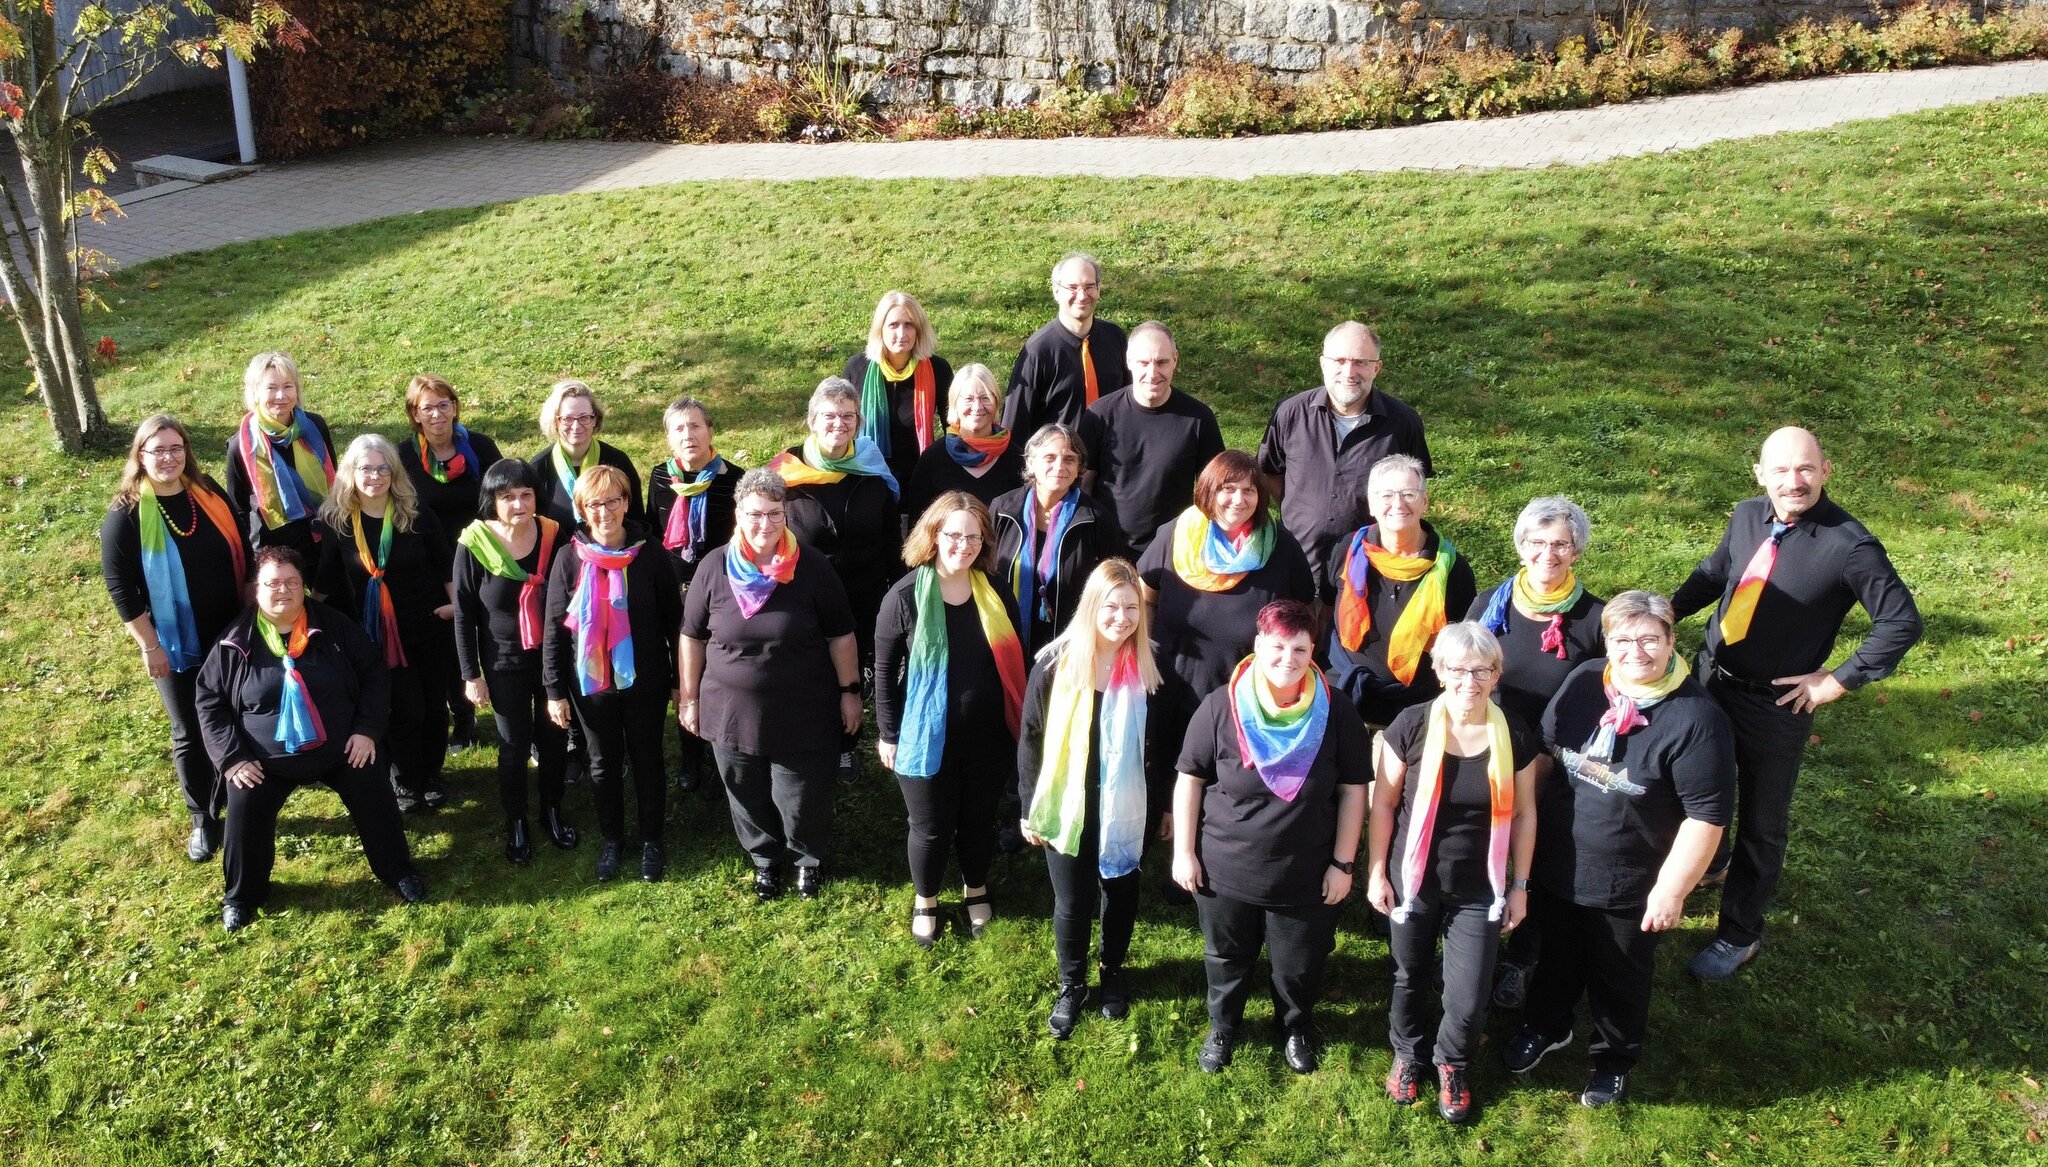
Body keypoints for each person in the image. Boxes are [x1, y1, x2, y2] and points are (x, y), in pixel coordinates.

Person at [1670, 426, 1922, 981]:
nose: (1794, 481)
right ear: (1760, 473)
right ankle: (1709, 862)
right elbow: (1717, 573)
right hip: (1711, 681)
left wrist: (1836, 682)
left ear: (1826, 471)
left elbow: (1901, 621)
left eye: (1806, 469)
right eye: (1780, 470)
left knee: (1762, 821)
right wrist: (1666, 613)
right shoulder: (1745, 516)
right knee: (1698, 785)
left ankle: (1739, 934)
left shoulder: (1849, 545)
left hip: (1774, 706)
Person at [1501, 591, 1734, 1108]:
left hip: (1633, 881)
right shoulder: (1585, 680)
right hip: (1558, 862)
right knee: (1556, 956)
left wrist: (1671, 891)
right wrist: (1519, 839)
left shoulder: (1697, 720)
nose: (1636, 651)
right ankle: (1546, 1025)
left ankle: (1612, 1058)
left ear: (1672, 641)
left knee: (1620, 975)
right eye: (1623, 639)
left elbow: (1706, 817)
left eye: (1650, 638)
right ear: (1607, 641)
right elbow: (1545, 756)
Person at [1171, 600, 1369, 1075]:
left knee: (1298, 965)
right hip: (1225, 868)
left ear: (1313, 650)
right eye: (1277, 646)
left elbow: (1354, 791)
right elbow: (1190, 779)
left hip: (1305, 872)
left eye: (1299, 648)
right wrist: (1182, 851)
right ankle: (1223, 1025)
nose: (1287, 658)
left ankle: (1295, 1025)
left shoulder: (1337, 711)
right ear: (1258, 645)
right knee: (1226, 955)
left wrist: (1343, 865)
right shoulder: (1222, 705)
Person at [195, 547, 425, 932]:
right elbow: (209, 701)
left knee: (373, 787)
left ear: (303, 587)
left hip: (341, 751)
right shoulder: (235, 642)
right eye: (272, 583)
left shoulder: (335, 627)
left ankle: (397, 870)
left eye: (291, 582)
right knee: (244, 802)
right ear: (256, 590)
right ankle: (242, 895)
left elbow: (373, 674)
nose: (282, 590)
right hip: (265, 762)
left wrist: (366, 731)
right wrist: (233, 758)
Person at [1367, 622, 1541, 1122]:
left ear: (1496, 674)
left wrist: (1521, 886)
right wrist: (1376, 871)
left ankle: (1452, 1063)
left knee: (1467, 998)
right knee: (1407, 976)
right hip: (1413, 881)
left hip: (1478, 889)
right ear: (1440, 672)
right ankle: (1407, 1054)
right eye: (1459, 669)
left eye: (1482, 670)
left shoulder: (1515, 734)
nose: (1470, 680)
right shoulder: (1412, 725)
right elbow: (1384, 805)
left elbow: (1526, 813)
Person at [681, 469, 862, 902]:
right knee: (743, 788)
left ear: (786, 516)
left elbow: (842, 635)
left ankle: (807, 858)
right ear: (738, 514)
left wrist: (850, 692)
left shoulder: (813, 567)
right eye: (755, 514)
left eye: (775, 515)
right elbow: (692, 635)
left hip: (803, 708)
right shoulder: (713, 567)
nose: (765, 525)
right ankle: (764, 857)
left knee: (801, 794)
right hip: (729, 709)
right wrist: (688, 698)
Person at [1466, 496, 1607, 1010]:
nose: (1548, 553)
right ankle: (1466, 941)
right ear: (1521, 546)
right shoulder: (1488, 604)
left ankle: (1522, 956)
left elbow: (1603, 700)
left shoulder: (1594, 620)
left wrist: (1549, 760)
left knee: (1540, 859)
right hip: (1487, 751)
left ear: (1576, 552)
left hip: (1554, 763)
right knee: (1476, 846)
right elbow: (1462, 671)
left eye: (1561, 545)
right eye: (1537, 542)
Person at [874, 493, 1028, 947]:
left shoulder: (997, 592)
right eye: (953, 535)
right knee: (931, 825)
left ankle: (974, 887)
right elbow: (883, 669)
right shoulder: (903, 597)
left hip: (989, 734)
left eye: (973, 537)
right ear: (934, 536)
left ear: (984, 542)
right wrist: (888, 733)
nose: (963, 544)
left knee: (979, 818)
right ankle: (926, 899)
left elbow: (1015, 654)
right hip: (923, 735)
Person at [1017, 559, 1161, 1039]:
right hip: (1066, 801)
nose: (1121, 618)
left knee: (1120, 892)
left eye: (1131, 608)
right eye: (1111, 606)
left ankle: (1113, 970)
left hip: (1124, 804)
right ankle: (1072, 982)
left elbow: (1159, 749)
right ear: (1091, 606)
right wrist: (1027, 806)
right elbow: (1032, 739)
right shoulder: (1054, 665)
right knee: (1072, 901)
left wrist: (1160, 808)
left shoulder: (1147, 668)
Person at [1139, 451, 1315, 842]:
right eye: (1227, 489)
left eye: (1249, 490)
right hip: (1177, 681)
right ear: (1208, 490)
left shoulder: (1281, 547)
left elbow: (1302, 611)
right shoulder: (1175, 536)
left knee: (1229, 777)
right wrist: (1152, 648)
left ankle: (1215, 848)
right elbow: (1145, 593)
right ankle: (1168, 836)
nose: (1238, 499)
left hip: (1248, 691)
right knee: (1172, 763)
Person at [101, 414, 249, 862]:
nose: (168, 458)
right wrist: (151, 646)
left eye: (175, 448)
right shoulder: (125, 516)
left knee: (235, 714)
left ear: (186, 451)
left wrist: (249, 612)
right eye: (157, 450)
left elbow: (242, 547)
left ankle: (239, 798)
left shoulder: (208, 495)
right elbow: (122, 591)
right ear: (140, 457)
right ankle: (203, 818)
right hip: (173, 641)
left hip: (230, 629)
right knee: (189, 728)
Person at [542, 465, 679, 882]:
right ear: (582, 509)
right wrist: (553, 691)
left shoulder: (651, 554)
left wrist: (679, 681)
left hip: (646, 678)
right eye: (595, 504)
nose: (605, 512)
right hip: (591, 683)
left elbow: (675, 621)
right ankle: (612, 840)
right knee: (602, 762)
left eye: (613, 500)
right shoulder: (568, 558)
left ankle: (652, 840)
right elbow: (553, 628)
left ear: (626, 503)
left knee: (647, 758)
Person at [314, 435, 456, 813]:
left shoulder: (414, 511)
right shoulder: (338, 521)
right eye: (365, 468)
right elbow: (326, 579)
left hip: (426, 624)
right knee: (400, 708)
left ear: (393, 473)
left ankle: (432, 775)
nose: (374, 476)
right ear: (350, 473)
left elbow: (444, 562)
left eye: (382, 468)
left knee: (432, 707)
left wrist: (456, 605)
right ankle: (405, 778)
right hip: (372, 634)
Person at [772, 376, 903, 782]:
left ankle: (846, 746)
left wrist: (897, 591)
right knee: (809, 672)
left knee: (849, 675)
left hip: (862, 595)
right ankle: (807, 743)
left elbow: (889, 539)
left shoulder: (872, 469)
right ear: (812, 420)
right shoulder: (784, 475)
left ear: (858, 423)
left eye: (848, 416)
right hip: (802, 596)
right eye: (829, 415)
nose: (838, 423)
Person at [454, 458, 579, 864]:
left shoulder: (554, 534)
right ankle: (517, 820)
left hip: (551, 656)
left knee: (555, 736)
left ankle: (551, 810)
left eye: (526, 495)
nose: (519, 504)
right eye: (508, 497)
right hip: (503, 660)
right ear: (492, 501)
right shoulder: (473, 544)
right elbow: (464, 614)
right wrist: (471, 674)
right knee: (512, 744)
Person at [1256, 320, 1433, 588]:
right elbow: (1269, 472)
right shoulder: (1290, 413)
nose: (1349, 371)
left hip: (1368, 575)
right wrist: (1300, 508)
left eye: (1360, 362)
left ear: (1377, 367)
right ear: (1323, 364)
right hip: (1296, 565)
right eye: (1339, 360)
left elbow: (1415, 490)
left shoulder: (1403, 424)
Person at [1326, 455, 1477, 729]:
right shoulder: (1346, 550)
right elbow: (1325, 608)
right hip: (1343, 696)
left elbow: (1461, 646)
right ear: (1371, 504)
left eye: (1409, 494)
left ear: (1424, 502)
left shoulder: (1453, 571)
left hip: (1413, 709)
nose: (1397, 504)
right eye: (1386, 495)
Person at [398, 372, 504, 753]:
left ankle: (505, 705)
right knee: (445, 645)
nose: (437, 415)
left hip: (481, 557)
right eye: (427, 407)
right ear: (415, 414)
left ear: (455, 407)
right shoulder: (404, 457)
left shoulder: (480, 447)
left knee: (493, 634)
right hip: (429, 565)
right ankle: (462, 718)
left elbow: (500, 500)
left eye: (444, 405)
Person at [645, 395, 745, 794]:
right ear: (669, 438)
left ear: (710, 431)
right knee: (683, 674)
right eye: (679, 429)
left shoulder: (733, 478)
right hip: (672, 591)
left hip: (720, 591)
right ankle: (690, 753)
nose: (689, 435)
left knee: (717, 673)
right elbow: (652, 532)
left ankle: (721, 750)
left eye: (696, 426)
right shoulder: (658, 478)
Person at [1077, 320, 1225, 558]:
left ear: (1175, 359)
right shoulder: (1100, 415)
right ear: (1128, 361)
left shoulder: (1198, 418)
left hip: (1174, 552)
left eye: (1162, 362)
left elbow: (1215, 490)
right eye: (1144, 363)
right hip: (1108, 551)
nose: (1153, 373)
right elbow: (1083, 485)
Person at [988, 424, 1116, 656]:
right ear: (1031, 462)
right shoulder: (1003, 510)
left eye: (1069, 459)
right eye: (1050, 457)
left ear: (1079, 468)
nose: (1059, 466)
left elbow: (1111, 584)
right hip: (1004, 637)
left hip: (1069, 644)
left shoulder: (1095, 518)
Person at [1003, 252, 1131, 439]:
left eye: (1089, 286)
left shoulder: (1115, 338)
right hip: (1061, 463)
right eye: (1072, 287)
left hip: (1113, 459)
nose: (1082, 295)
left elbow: (1132, 400)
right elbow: (1016, 423)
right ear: (1056, 291)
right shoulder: (1037, 351)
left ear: (1099, 289)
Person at [223, 350, 334, 562]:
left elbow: (334, 480)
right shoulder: (240, 445)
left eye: (287, 386)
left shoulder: (315, 426)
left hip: (322, 533)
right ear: (256, 392)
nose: (281, 396)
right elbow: (239, 509)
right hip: (272, 545)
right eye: (271, 388)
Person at [842, 290, 955, 488]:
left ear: (918, 329)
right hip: (865, 478)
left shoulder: (938, 369)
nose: (901, 334)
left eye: (909, 325)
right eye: (893, 325)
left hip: (920, 478)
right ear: (880, 329)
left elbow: (953, 427)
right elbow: (842, 424)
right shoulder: (857, 368)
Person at [904, 363, 1025, 519]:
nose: (977, 407)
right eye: (968, 399)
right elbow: (917, 529)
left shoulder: (1017, 459)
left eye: (985, 398)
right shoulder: (933, 460)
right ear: (955, 403)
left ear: (996, 402)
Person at [528, 378, 645, 531]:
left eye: (584, 417)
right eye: (567, 419)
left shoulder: (618, 462)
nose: (576, 426)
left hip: (611, 553)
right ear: (555, 422)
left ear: (595, 419)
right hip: (559, 554)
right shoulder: (538, 467)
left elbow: (637, 521)